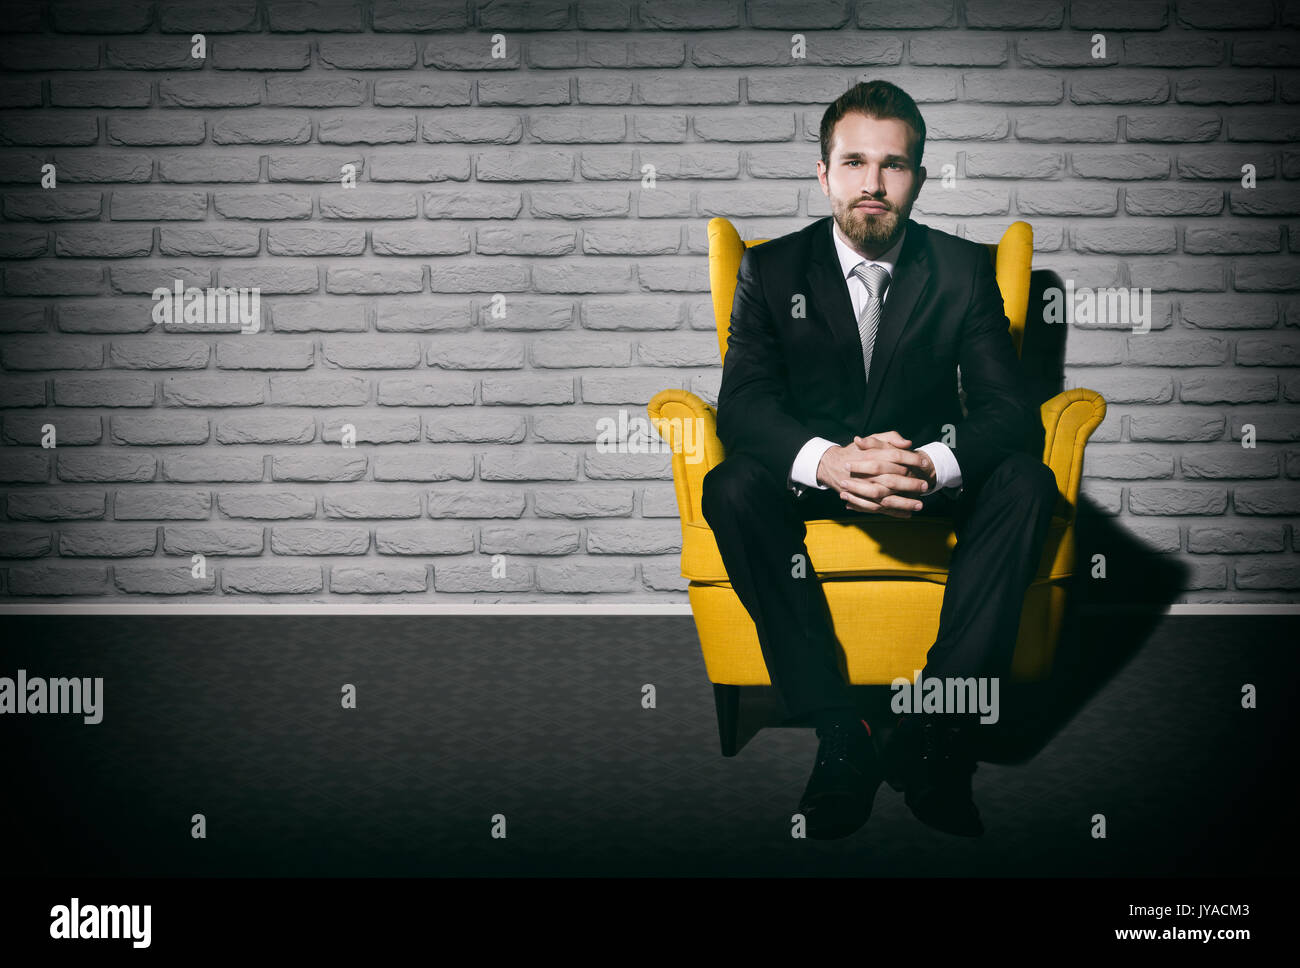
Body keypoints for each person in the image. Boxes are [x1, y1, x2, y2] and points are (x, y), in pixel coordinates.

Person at [701, 80, 1059, 840]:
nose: (872, 183)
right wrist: (826, 461)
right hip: (813, 480)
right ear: (823, 173)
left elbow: (1006, 413)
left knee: (1028, 479)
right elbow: (745, 404)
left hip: (920, 476)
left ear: (918, 179)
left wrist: (931, 463)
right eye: (854, 162)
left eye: (893, 165)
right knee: (730, 485)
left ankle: (935, 725)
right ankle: (842, 733)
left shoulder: (964, 272)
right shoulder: (770, 272)